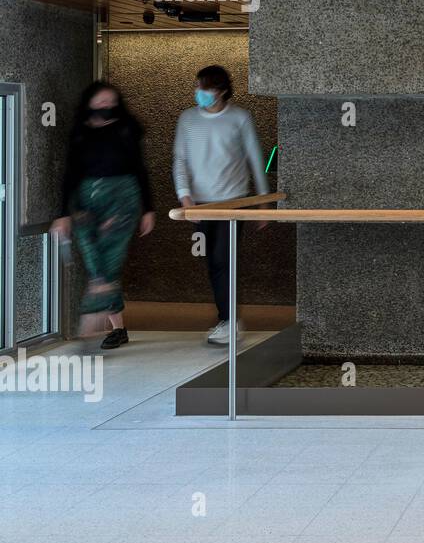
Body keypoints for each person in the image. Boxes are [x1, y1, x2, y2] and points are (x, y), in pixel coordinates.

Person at [51, 82, 155, 350]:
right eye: (101, 101)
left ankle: (91, 313)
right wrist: (63, 214)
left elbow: (140, 170)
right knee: (94, 257)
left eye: (111, 101)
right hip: (86, 201)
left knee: (108, 259)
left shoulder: (126, 129)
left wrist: (148, 208)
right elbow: (70, 173)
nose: (107, 106)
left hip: (123, 198)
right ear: (89, 103)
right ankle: (116, 327)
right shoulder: (80, 132)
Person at [173, 65, 268, 346]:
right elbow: (180, 159)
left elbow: (255, 159)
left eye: (206, 88)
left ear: (222, 90)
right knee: (213, 264)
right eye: (197, 87)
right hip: (201, 203)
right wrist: (184, 195)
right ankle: (227, 319)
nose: (199, 93)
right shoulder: (187, 119)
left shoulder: (240, 118)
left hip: (233, 202)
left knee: (223, 260)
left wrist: (263, 202)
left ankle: (230, 321)